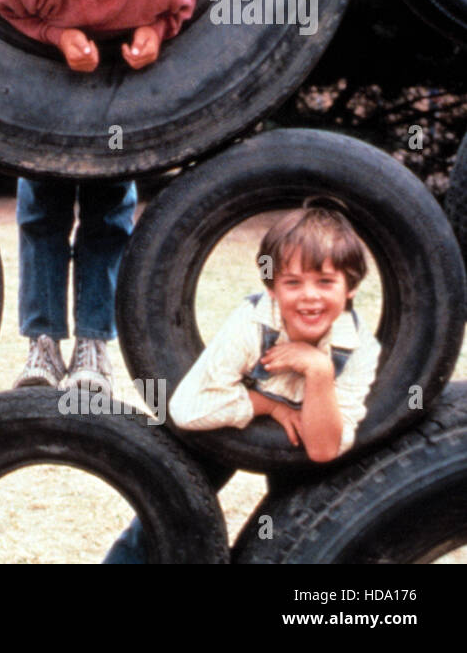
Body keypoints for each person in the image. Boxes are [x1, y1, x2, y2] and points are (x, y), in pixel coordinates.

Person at [0, 0, 208, 395]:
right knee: (41, 214)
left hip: (121, 101)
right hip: (51, 98)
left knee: (109, 219)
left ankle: (92, 345)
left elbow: (189, 2)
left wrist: (158, 33)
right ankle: (42, 345)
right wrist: (55, 36)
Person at [105, 198, 380, 562]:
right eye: (293, 282)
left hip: (302, 435)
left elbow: (324, 449)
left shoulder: (359, 349)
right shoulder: (252, 323)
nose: (309, 296)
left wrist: (319, 371)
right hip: (229, 418)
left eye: (325, 281)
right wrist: (269, 405)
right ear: (272, 289)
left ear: (351, 288)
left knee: (293, 530)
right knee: (168, 507)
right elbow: (187, 410)